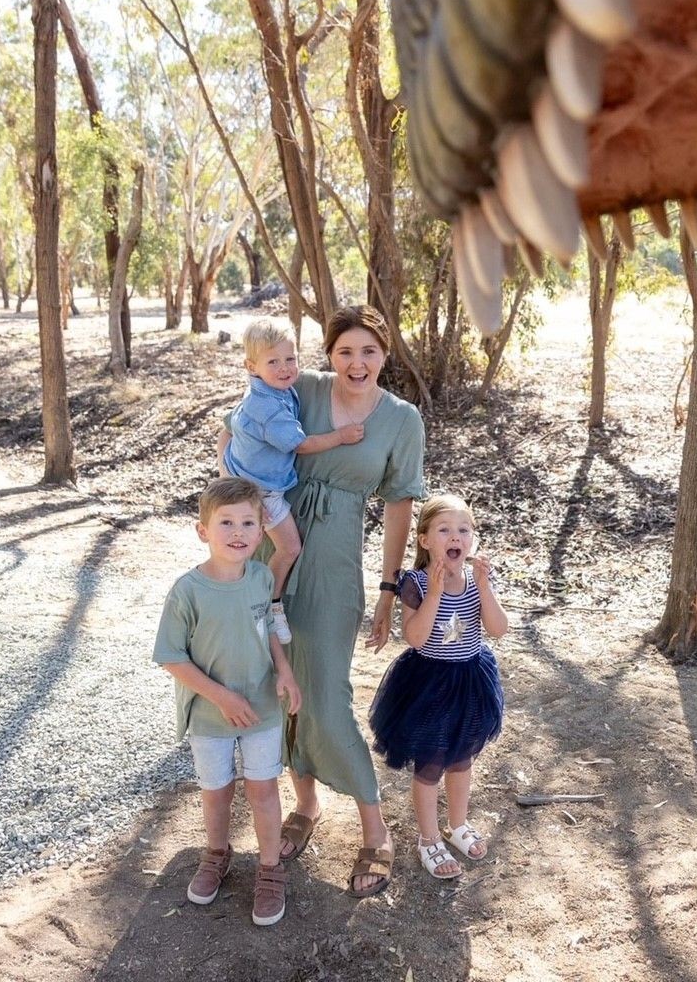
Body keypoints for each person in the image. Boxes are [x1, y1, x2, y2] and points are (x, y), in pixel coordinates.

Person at [217, 305, 425, 897]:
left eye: (369, 351)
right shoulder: (296, 386)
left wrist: (388, 590)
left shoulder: (402, 420)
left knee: (327, 689)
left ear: (385, 354)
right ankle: (304, 805)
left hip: (333, 559)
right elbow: (237, 425)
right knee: (277, 684)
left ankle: (375, 828)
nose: (357, 363)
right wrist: (226, 511)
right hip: (270, 546)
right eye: (344, 352)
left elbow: (399, 507)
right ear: (328, 355)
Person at [153, 477, 303, 927]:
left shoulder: (261, 577)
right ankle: (216, 854)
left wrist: (286, 670)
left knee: (263, 789)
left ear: (260, 533)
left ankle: (270, 869)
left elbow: (270, 627)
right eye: (226, 522)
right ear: (203, 530)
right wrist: (220, 695)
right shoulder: (188, 590)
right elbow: (170, 657)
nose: (238, 531)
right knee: (216, 791)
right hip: (211, 713)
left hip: (261, 708)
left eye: (247, 523)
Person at [369, 493, 507, 880]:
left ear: (471, 538)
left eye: (463, 529)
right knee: (430, 764)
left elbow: (497, 629)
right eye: (444, 529)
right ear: (425, 539)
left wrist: (484, 588)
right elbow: (415, 637)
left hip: (471, 680)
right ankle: (428, 837)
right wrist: (432, 594)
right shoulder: (414, 582)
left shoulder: (477, 578)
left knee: (462, 759)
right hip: (429, 683)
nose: (455, 536)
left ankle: (458, 824)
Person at [223, 318, 366, 645]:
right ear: (252, 366)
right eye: (273, 362)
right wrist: (340, 436)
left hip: (246, 473)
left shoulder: (268, 390)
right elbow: (301, 444)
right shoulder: (269, 409)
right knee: (289, 547)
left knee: (252, 546)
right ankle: (269, 605)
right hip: (260, 491)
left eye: (291, 359)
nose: (285, 368)